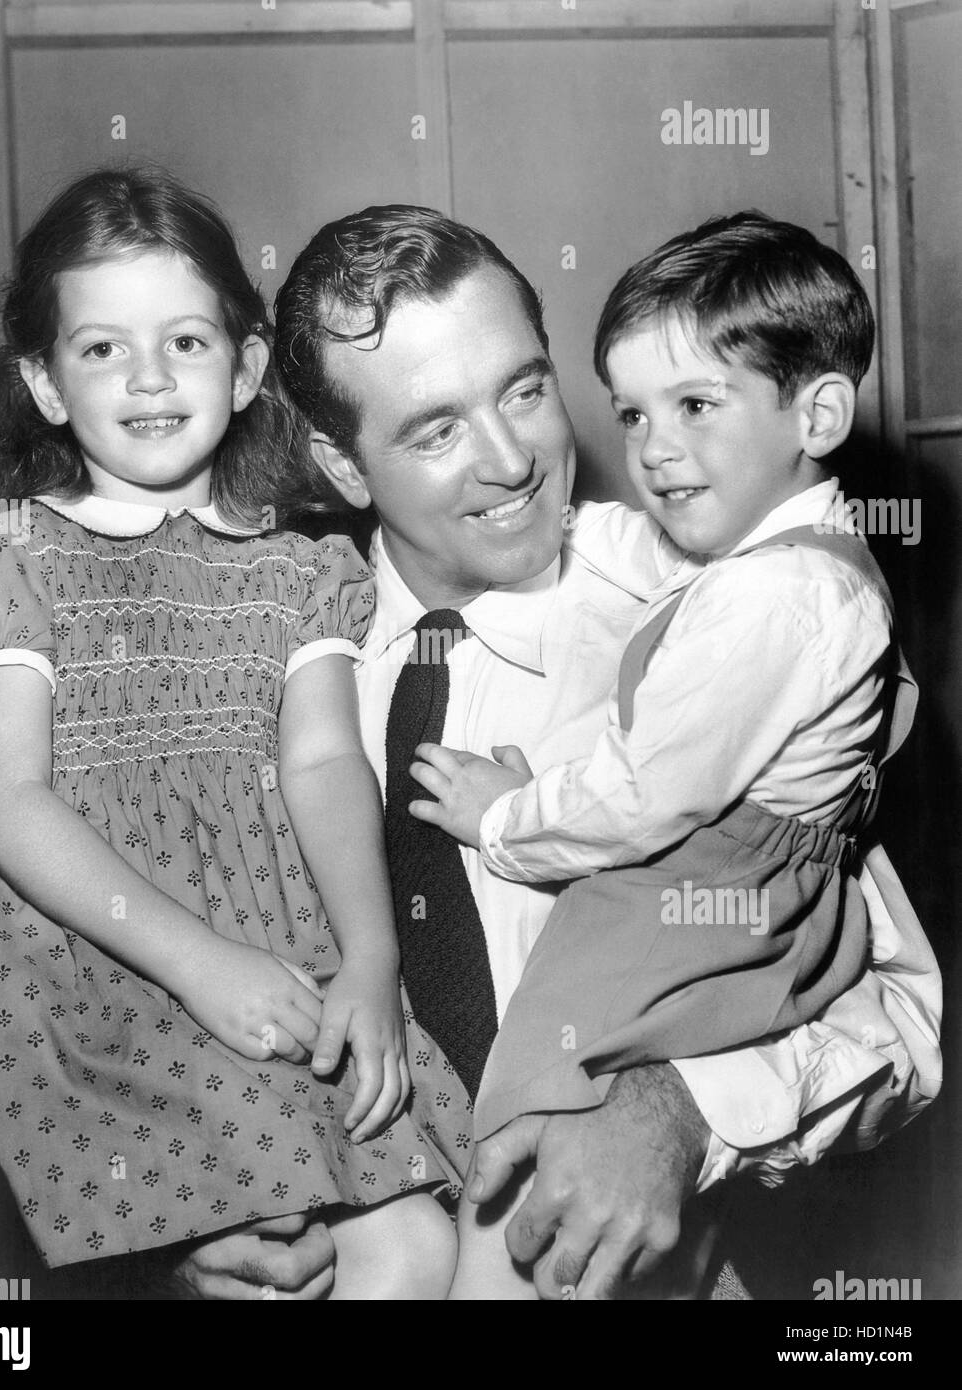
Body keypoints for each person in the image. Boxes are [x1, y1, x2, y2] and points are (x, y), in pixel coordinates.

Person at [179, 203, 936, 1302]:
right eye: (435, 429)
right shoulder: (260, 664)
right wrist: (194, 1213)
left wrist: (684, 1111)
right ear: (344, 463)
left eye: (525, 391)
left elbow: (899, 1018)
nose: (511, 461)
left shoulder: (709, 618)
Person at [0, 169, 471, 1300]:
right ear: (45, 384)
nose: (151, 377)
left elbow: (322, 762)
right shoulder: (0, 552)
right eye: (103, 350)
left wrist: (369, 960)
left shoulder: (299, 568)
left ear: (249, 363)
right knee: (258, 1264)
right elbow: (2, 798)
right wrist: (204, 965)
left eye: (184, 339)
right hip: (105, 961)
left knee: (413, 1249)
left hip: (285, 948)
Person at [405, 211, 929, 1296]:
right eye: (633, 413)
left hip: (691, 892)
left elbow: (646, 796)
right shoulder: (762, 561)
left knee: (530, 1137)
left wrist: (509, 817)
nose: (652, 448)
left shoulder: (781, 595)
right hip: (724, 884)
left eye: (696, 405)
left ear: (820, 410)